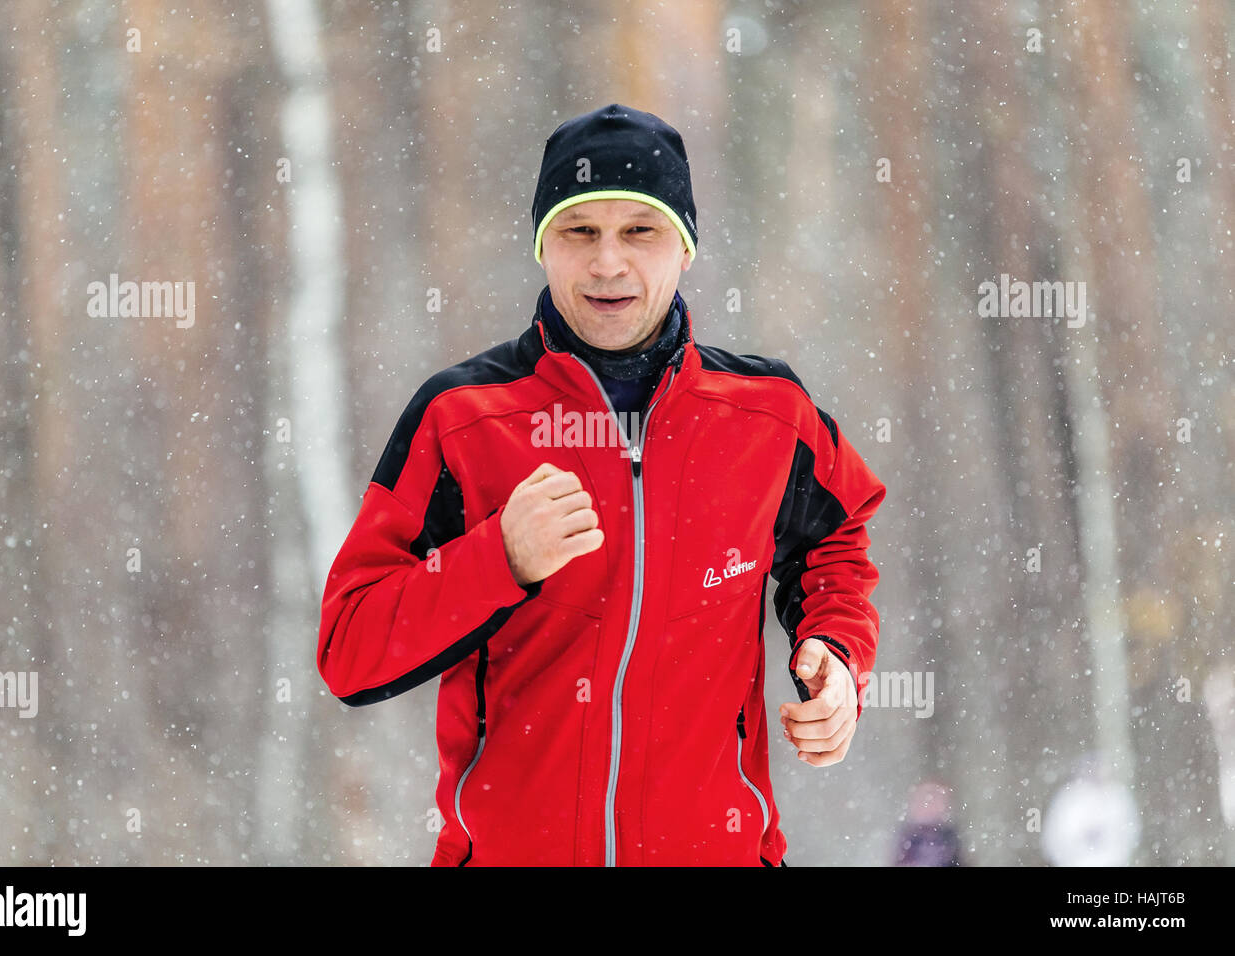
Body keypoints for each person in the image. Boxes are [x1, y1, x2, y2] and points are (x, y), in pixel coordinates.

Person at [317, 103, 888, 866]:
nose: (608, 263)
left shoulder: (767, 414)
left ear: (685, 248)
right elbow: (350, 649)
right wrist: (499, 559)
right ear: (542, 248)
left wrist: (836, 653)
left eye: (640, 230)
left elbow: (837, 543)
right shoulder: (461, 419)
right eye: (579, 231)